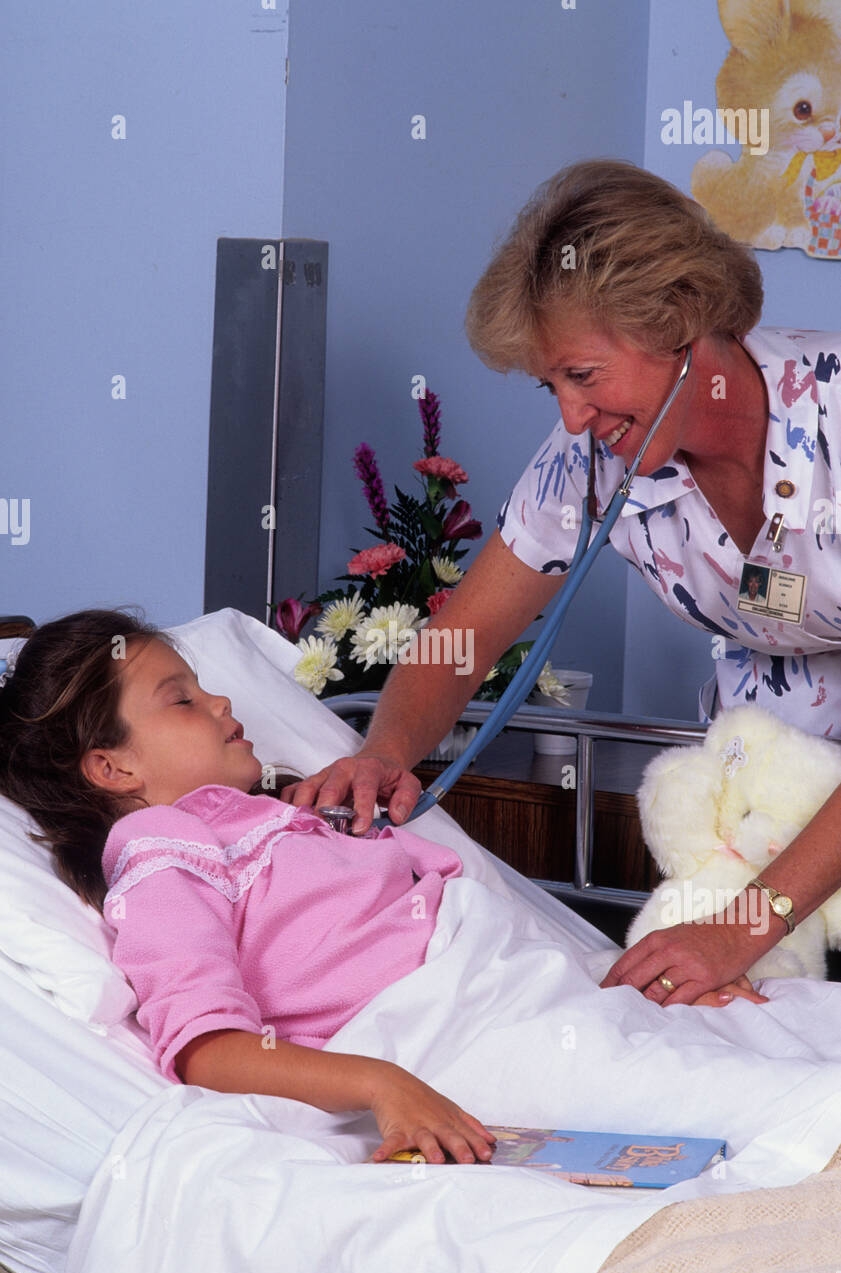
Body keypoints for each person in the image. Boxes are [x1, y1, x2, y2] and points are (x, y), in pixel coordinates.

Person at [283, 157, 841, 1010]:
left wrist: (741, 927)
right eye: (551, 386)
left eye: (583, 376)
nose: (570, 418)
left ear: (682, 324)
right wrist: (384, 753)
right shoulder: (587, 458)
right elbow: (461, 640)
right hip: (769, 809)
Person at [0, 608, 497, 1166]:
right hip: (448, 1037)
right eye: (182, 699)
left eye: (204, 687)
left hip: (507, 983)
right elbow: (207, 1049)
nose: (222, 703)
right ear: (112, 768)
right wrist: (383, 1085)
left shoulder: (282, 810)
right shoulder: (162, 841)